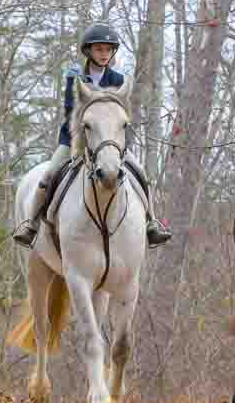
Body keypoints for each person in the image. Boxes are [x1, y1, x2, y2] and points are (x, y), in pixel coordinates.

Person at [13, 23, 171, 249]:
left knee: (142, 174)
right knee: (48, 175)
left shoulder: (118, 80)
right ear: (88, 51)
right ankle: (30, 224)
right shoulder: (75, 76)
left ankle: (152, 223)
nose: (104, 54)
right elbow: (70, 110)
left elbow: (122, 113)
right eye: (99, 49)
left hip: (109, 142)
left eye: (108, 50)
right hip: (76, 139)